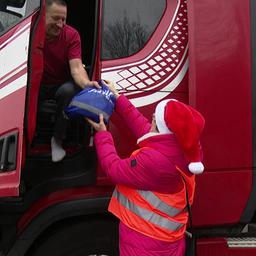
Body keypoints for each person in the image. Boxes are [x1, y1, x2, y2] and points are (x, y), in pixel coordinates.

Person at [87, 81, 205, 256]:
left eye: (153, 118)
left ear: (159, 127)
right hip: (168, 240)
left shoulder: (155, 161)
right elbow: (142, 127)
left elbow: (113, 168)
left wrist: (102, 134)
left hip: (144, 242)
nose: (149, 120)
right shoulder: (180, 148)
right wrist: (118, 98)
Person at [39, 0, 99, 162]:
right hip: (37, 84)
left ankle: (57, 141)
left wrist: (87, 84)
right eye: (56, 18)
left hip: (61, 84)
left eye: (63, 20)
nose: (60, 24)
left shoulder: (72, 35)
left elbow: (77, 68)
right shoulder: (30, 33)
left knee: (68, 91)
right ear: (43, 16)